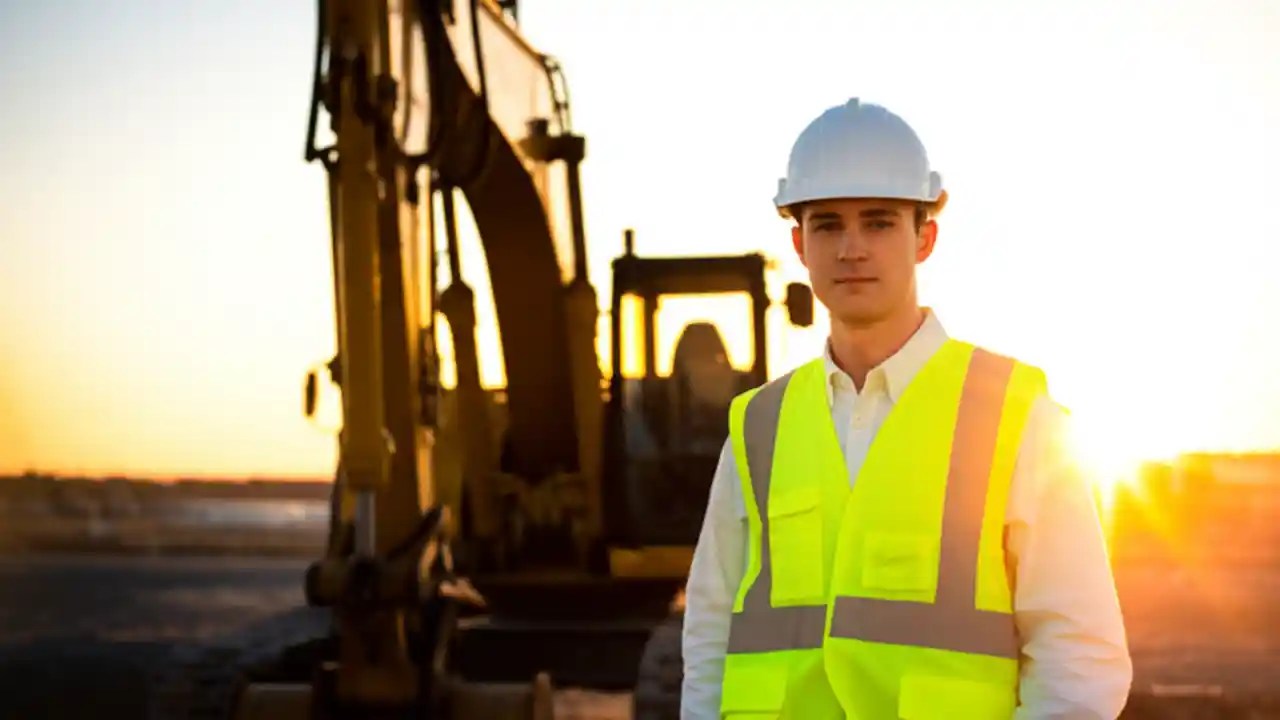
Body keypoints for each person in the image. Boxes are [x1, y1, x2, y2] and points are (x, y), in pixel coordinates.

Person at [680, 98, 1132, 719]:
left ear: (926, 236)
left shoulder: (1015, 417)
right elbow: (710, 636)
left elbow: (1080, 650)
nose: (852, 248)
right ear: (799, 243)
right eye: (829, 224)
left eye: (880, 222)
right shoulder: (759, 428)